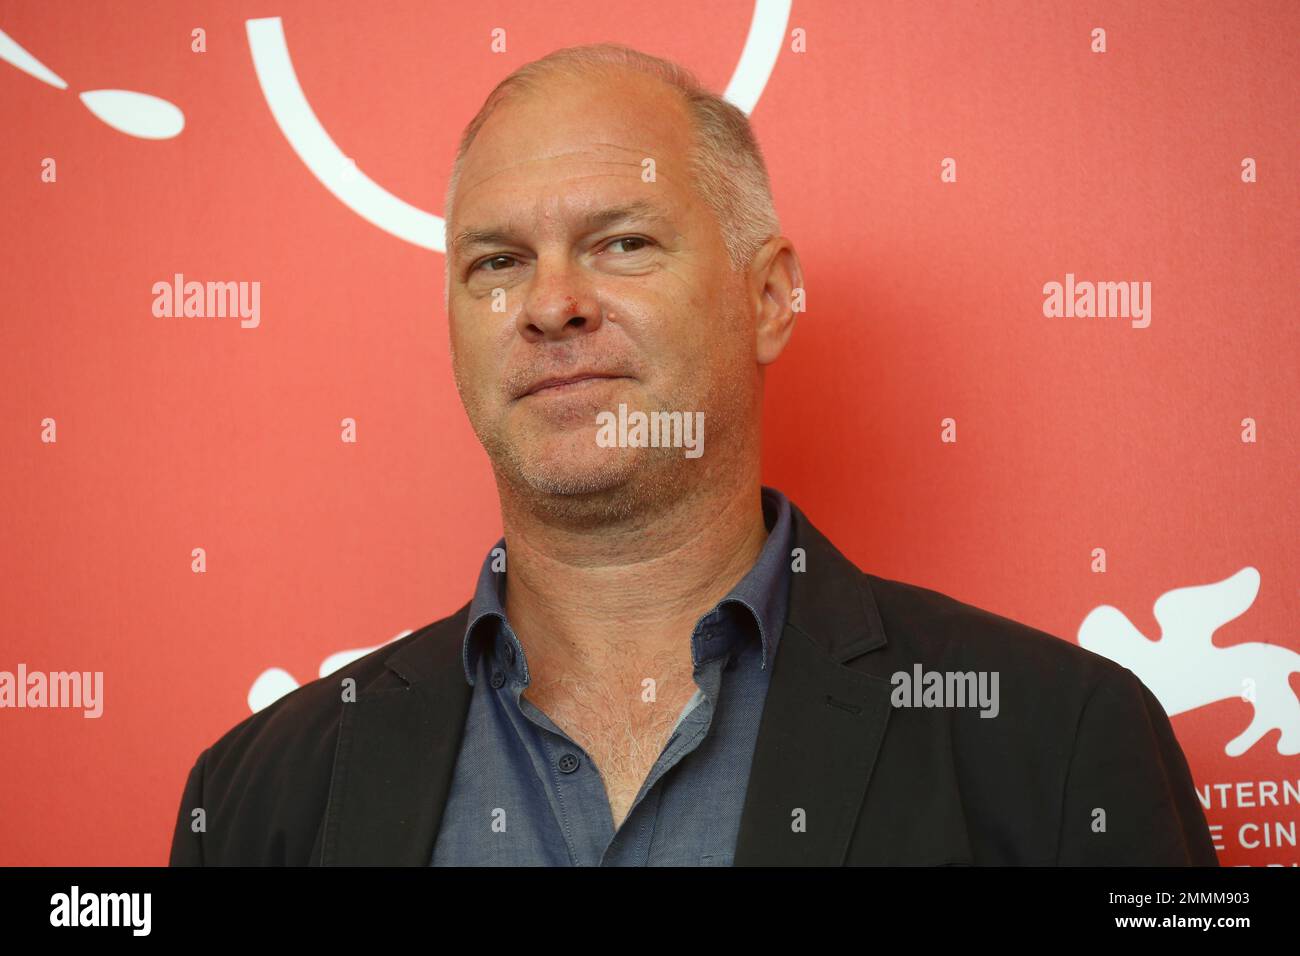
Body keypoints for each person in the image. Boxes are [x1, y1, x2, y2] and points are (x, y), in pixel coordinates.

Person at [168, 43, 1216, 866]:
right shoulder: (263, 791)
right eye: (496, 260)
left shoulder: (1058, 738)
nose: (549, 304)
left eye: (622, 242)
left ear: (766, 297)